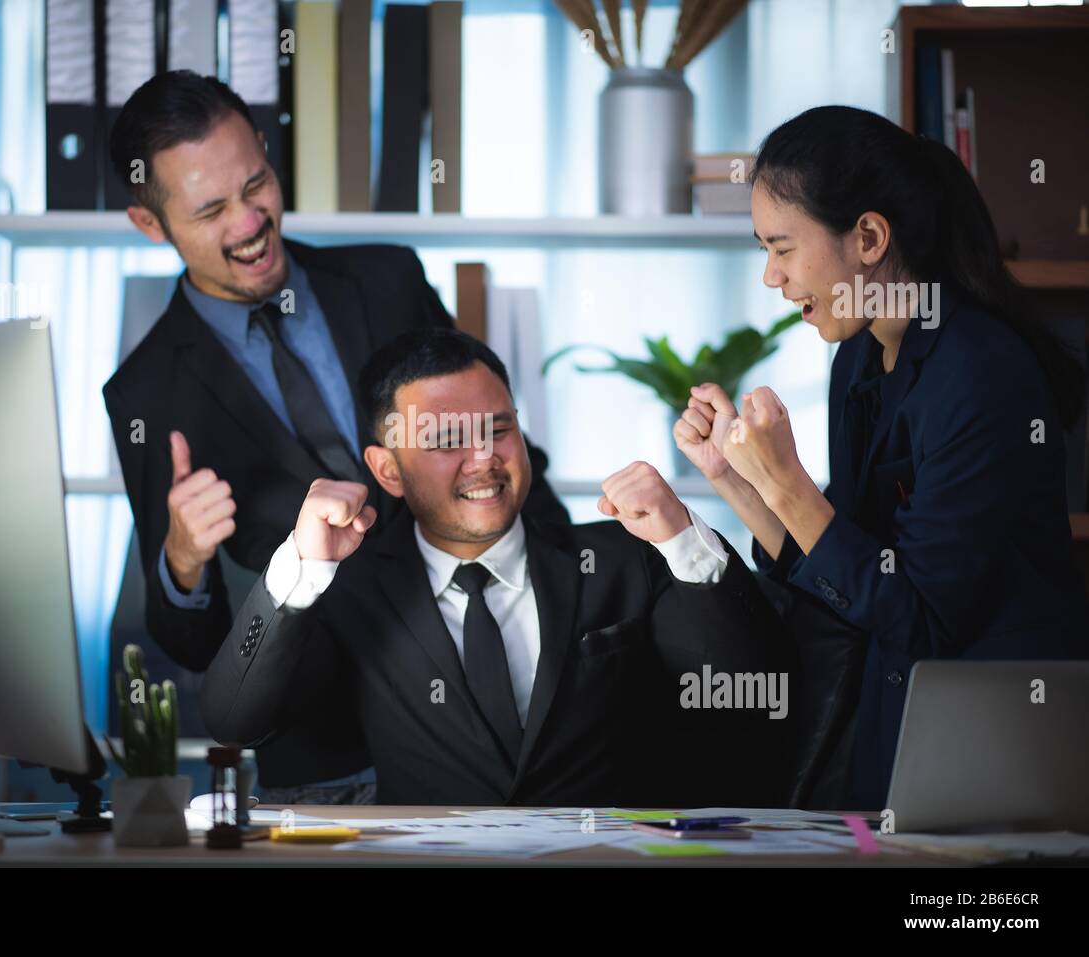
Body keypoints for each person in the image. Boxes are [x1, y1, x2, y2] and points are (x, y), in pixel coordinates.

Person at [102, 71, 568, 803]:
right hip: (324, 762)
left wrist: (572, 632)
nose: (249, 223)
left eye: (255, 184)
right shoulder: (146, 391)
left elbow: (502, 451)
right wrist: (184, 560)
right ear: (150, 223)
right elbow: (190, 643)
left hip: (492, 726)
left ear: (264, 147)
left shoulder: (388, 278)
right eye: (211, 209)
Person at [674, 106, 1089, 810]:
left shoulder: (979, 371)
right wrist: (738, 481)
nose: (772, 277)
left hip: (998, 757)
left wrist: (789, 482)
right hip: (892, 739)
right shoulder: (859, 357)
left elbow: (918, 618)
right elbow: (846, 582)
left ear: (868, 236)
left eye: (782, 247)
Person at [202, 328, 794, 807]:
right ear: (387, 471)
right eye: (447, 440)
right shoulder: (351, 588)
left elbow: (751, 698)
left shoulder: (625, 556)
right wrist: (300, 569)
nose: (483, 459)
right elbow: (233, 721)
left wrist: (684, 538)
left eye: (498, 428)